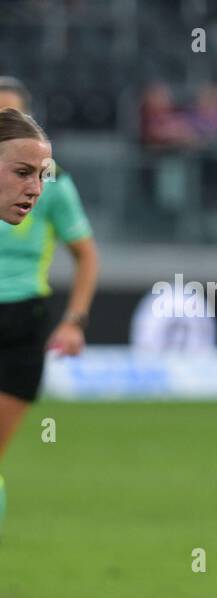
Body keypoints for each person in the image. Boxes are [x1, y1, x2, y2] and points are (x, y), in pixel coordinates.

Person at [0, 79, 98, 537]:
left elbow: (86, 253)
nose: (35, 186)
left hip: (21, 321)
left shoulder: (53, 182)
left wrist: (74, 321)